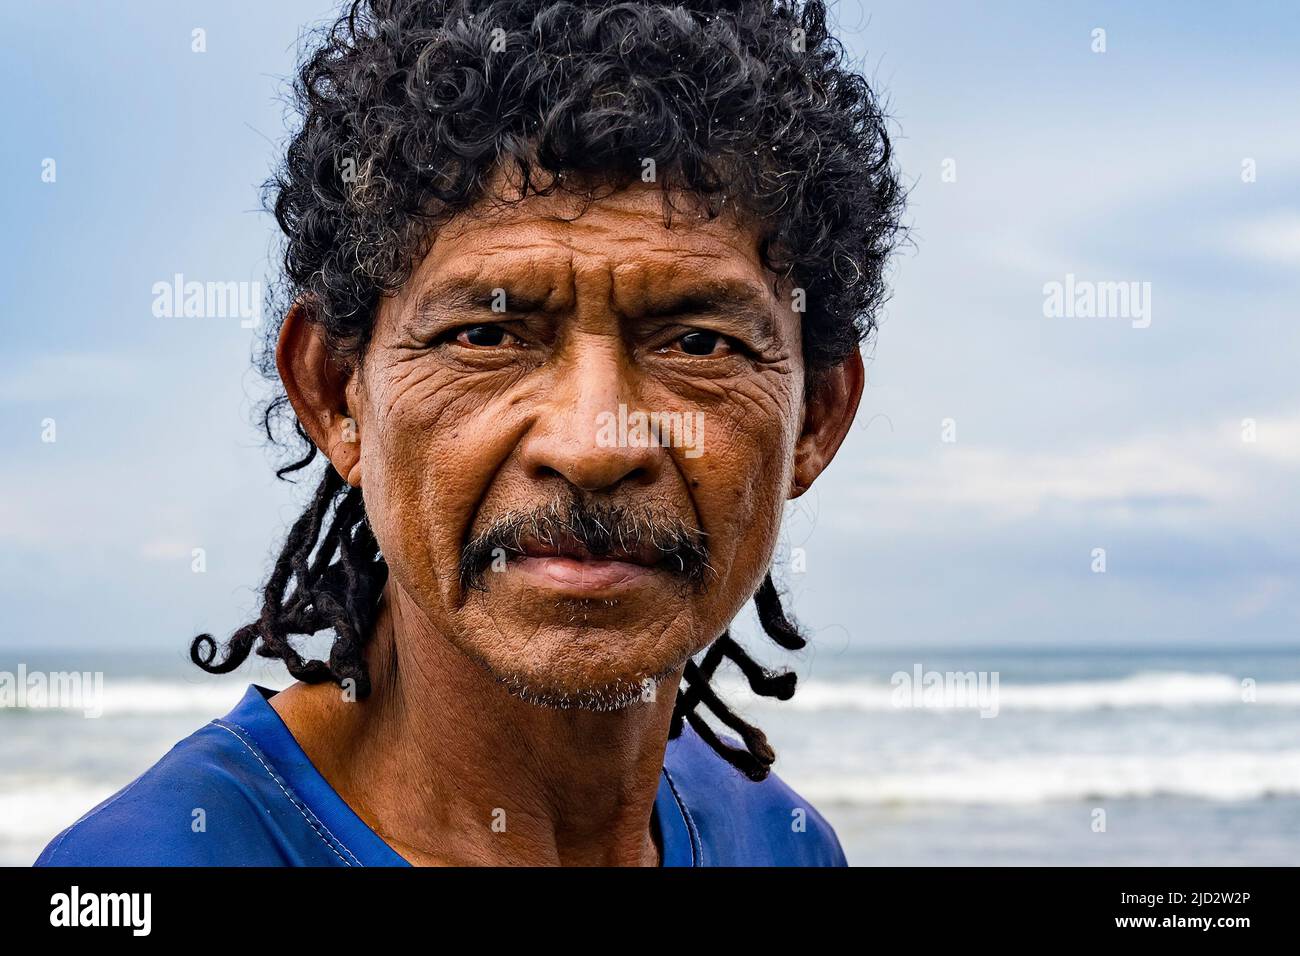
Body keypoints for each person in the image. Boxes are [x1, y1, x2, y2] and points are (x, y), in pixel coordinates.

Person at [36, 0, 903, 866]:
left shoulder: (777, 844)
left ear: (814, 418)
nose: (593, 444)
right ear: (337, 394)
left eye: (696, 343)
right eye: (486, 336)